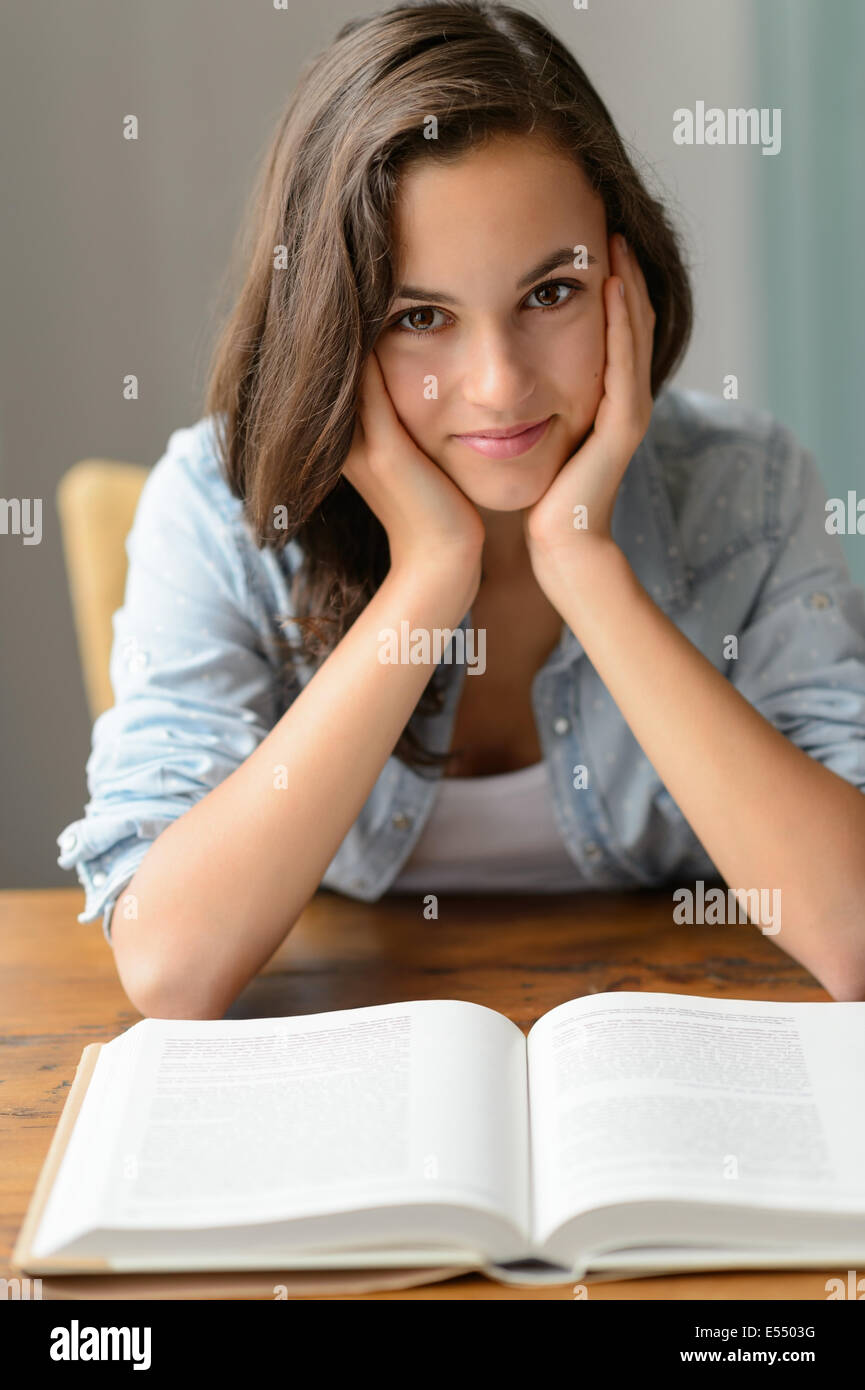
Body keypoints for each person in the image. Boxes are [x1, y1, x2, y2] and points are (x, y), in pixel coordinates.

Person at [57, 0, 865, 1017]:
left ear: (627, 276)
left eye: (549, 294)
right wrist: (430, 576)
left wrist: (582, 566)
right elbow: (170, 964)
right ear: (332, 326)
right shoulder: (219, 509)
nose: (497, 383)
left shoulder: (743, 487)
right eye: (418, 317)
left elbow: (852, 929)